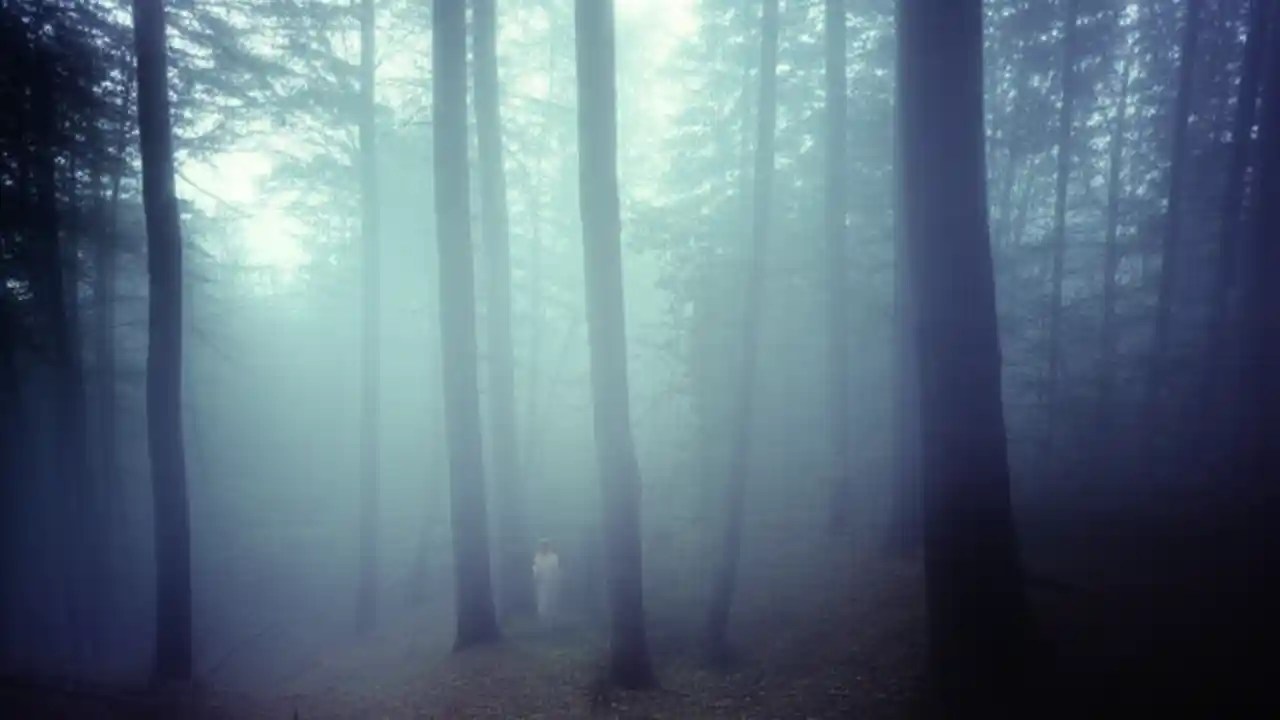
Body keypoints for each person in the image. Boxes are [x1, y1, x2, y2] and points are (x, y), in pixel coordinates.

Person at [532, 538, 561, 624]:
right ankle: (542, 619)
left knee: (552, 600)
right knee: (542, 600)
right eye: (542, 545)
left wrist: (556, 580)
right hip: (541, 582)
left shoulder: (554, 556)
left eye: (545, 545)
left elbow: (556, 569)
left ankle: (552, 619)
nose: (544, 547)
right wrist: (535, 576)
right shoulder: (537, 556)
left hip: (552, 582)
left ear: (548, 546)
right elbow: (535, 568)